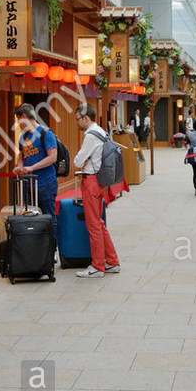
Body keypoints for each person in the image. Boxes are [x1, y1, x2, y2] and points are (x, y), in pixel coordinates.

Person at [72, 105, 120, 278]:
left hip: (91, 180)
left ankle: (97, 266)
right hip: (101, 181)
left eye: (78, 119)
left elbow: (78, 161)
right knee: (99, 224)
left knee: (93, 225)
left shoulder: (90, 135)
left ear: (86, 118)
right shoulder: (101, 131)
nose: (77, 122)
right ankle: (112, 261)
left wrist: (81, 161)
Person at [12, 104, 59, 247]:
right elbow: (22, 157)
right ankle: (36, 248)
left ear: (24, 117)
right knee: (31, 218)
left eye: (18, 120)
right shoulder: (23, 137)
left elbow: (52, 157)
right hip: (28, 184)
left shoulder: (46, 133)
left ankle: (52, 248)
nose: (18, 124)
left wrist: (32, 168)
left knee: (48, 216)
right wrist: (19, 167)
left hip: (46, 183)